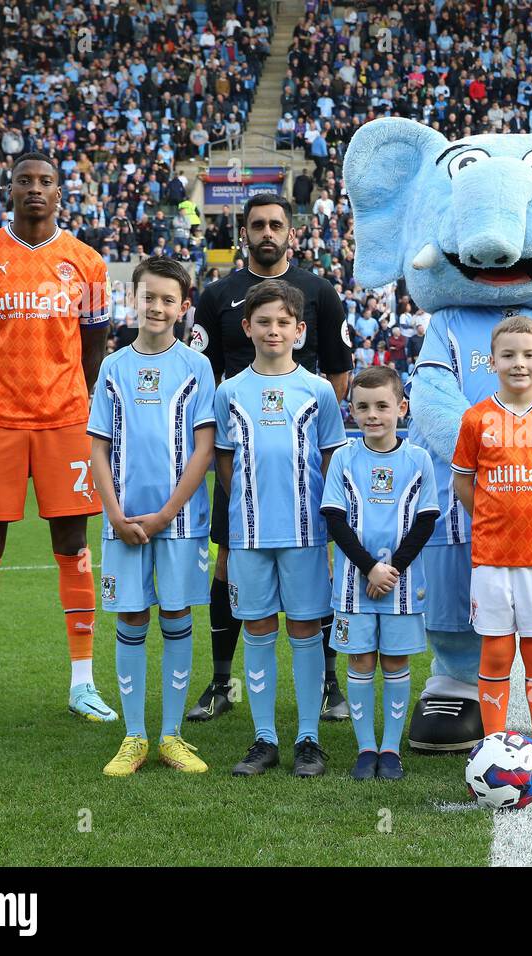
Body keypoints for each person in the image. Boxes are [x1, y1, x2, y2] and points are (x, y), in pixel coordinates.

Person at [0, 152, 115, 729]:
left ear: (61, 192)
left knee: (72, 543)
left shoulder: (85, 262)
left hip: (63, 422)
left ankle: (83, 683)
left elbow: (94, 348)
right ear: (8, 190)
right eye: (25, 181)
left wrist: (64, 398)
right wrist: (1, 388)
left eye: (46, 181)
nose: (36, 189)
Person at [188, 192, 353, 725]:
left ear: (291, 232)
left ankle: (328, 684)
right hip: (242, 449)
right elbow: (203, 369)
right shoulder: (218, 295)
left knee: (316, 564)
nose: (266, 232)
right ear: (244, 233)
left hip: (300, 453)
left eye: (275, 224)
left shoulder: (320, 292)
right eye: (257, 224)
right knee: (228, 560)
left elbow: (338, 369)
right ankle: (219, 682)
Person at [87, 257, 216, 776]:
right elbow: (98, 447)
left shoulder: (196, 367)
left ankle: (172, 735)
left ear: (184, 307)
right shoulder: (113, 366)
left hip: (179, 524)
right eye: (149, 297)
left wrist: (164, 514)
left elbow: (204, 447)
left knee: (178, 617)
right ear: (132, 299)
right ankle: (134, 736)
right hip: (123, 523)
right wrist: (115, 514)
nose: (158, 307)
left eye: (168, 299)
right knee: (132, 617)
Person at [213, 280, 347, 776]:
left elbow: (332, 458)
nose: (274, 330)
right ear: (247, 328)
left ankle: (309, 738)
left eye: (283, 322)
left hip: (306, 533)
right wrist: (251, 502)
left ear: (300, 329)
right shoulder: (229, 391)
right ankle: (265, 738)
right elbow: (225, 464)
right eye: (264, 322)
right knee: (259, 629)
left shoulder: (317, 391)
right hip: (249, 535)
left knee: (307, 630)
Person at [450, 315, 532, 786]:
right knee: (497, 654)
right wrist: (490, 512)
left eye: (528, 355)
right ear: (492, 361)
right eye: (509, 355)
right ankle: (492, 750)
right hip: (490, 556)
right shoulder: (476, 417)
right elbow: (464, 480)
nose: (519, 363)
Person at [321, 366, 440, 780]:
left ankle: (390, 747)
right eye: (363, 406)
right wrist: (370, 567)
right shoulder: (343, 458)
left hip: (403, 587)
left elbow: (425, 521)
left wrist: (391, 571)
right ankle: (365, 747)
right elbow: (334, 519)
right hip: (355, 585)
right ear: (350, 410)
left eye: (382, 406)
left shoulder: (418, 459)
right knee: (360, 659)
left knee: (393, 661)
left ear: (401, 408)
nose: (373, 414)